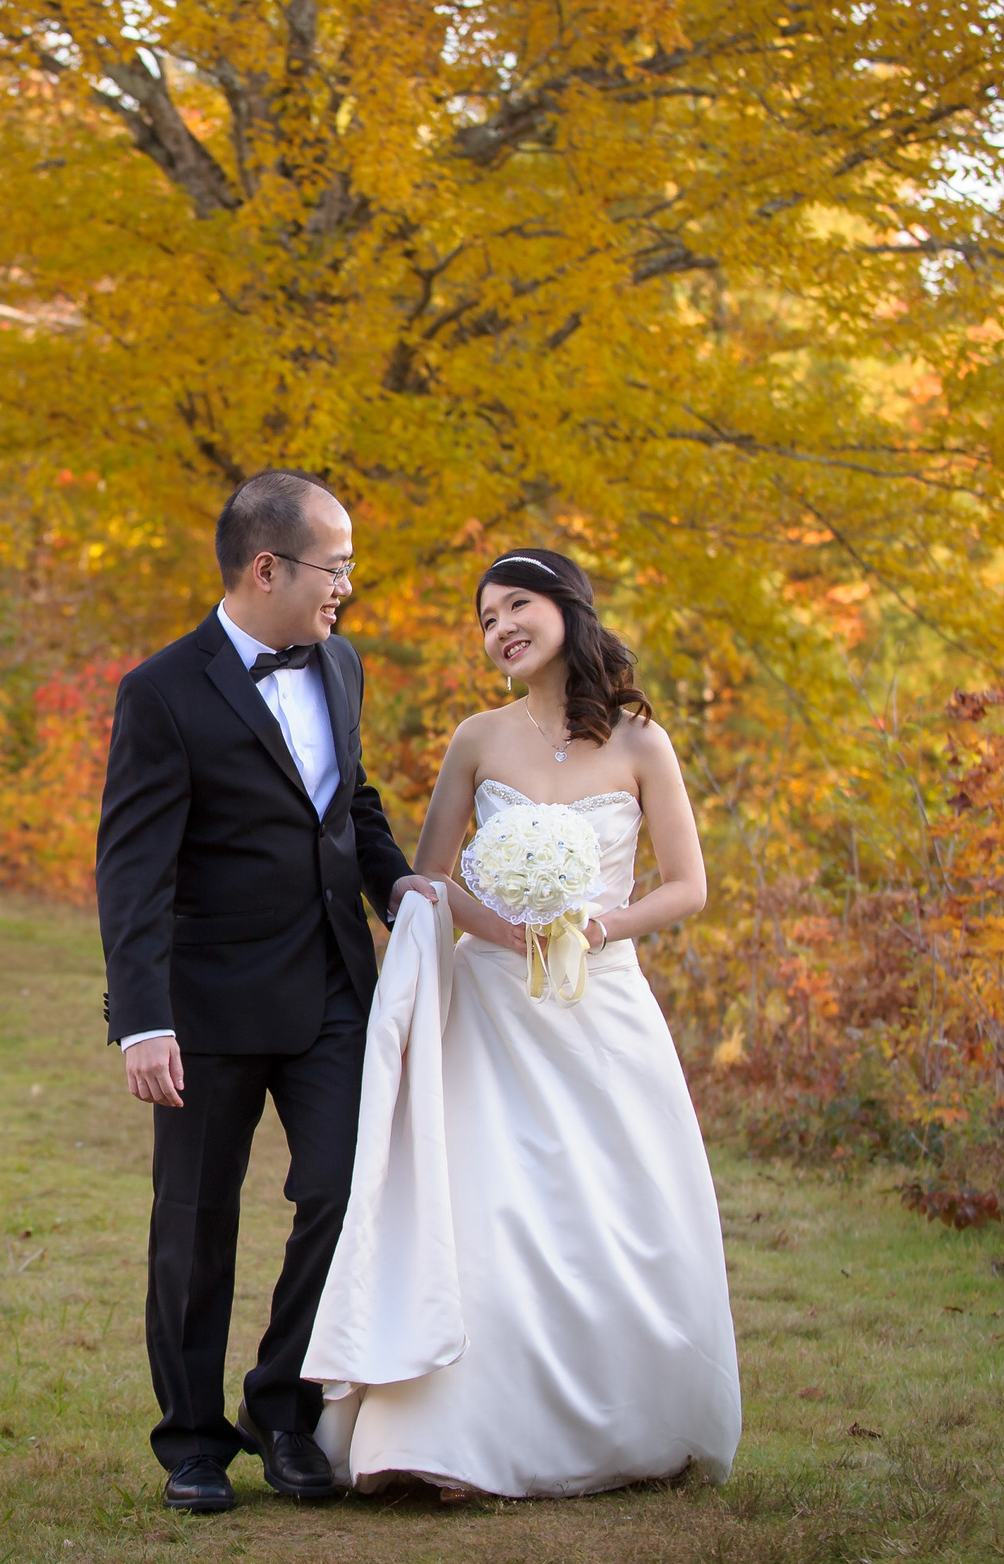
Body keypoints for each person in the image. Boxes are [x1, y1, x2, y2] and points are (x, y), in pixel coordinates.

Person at [306, 546, 742, 1497]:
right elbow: (428, 879)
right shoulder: (477, 738)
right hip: (493, 1006)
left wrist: (597, 926)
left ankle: (624, 1421)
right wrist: (497, 927)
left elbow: (688, 886)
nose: (500, 628)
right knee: (488, 1211)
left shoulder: (641, 742)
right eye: (486, 619)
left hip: (601, 1003)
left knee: (611, 1210)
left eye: (515, 607)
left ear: (566, 608)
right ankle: (455, 1437)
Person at [96, 471, 425, 1514]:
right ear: (267, 568)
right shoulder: (162, 691)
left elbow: (350, 801)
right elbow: (132, 869)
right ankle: (193, 1442)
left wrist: (396, 887)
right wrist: (143, 1019)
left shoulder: (341, 662)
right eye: (337, 566)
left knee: (341, 1194)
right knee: (196, 1222)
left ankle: (282, 1408)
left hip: (333, 986)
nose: (347, 586)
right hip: (209, 1004)